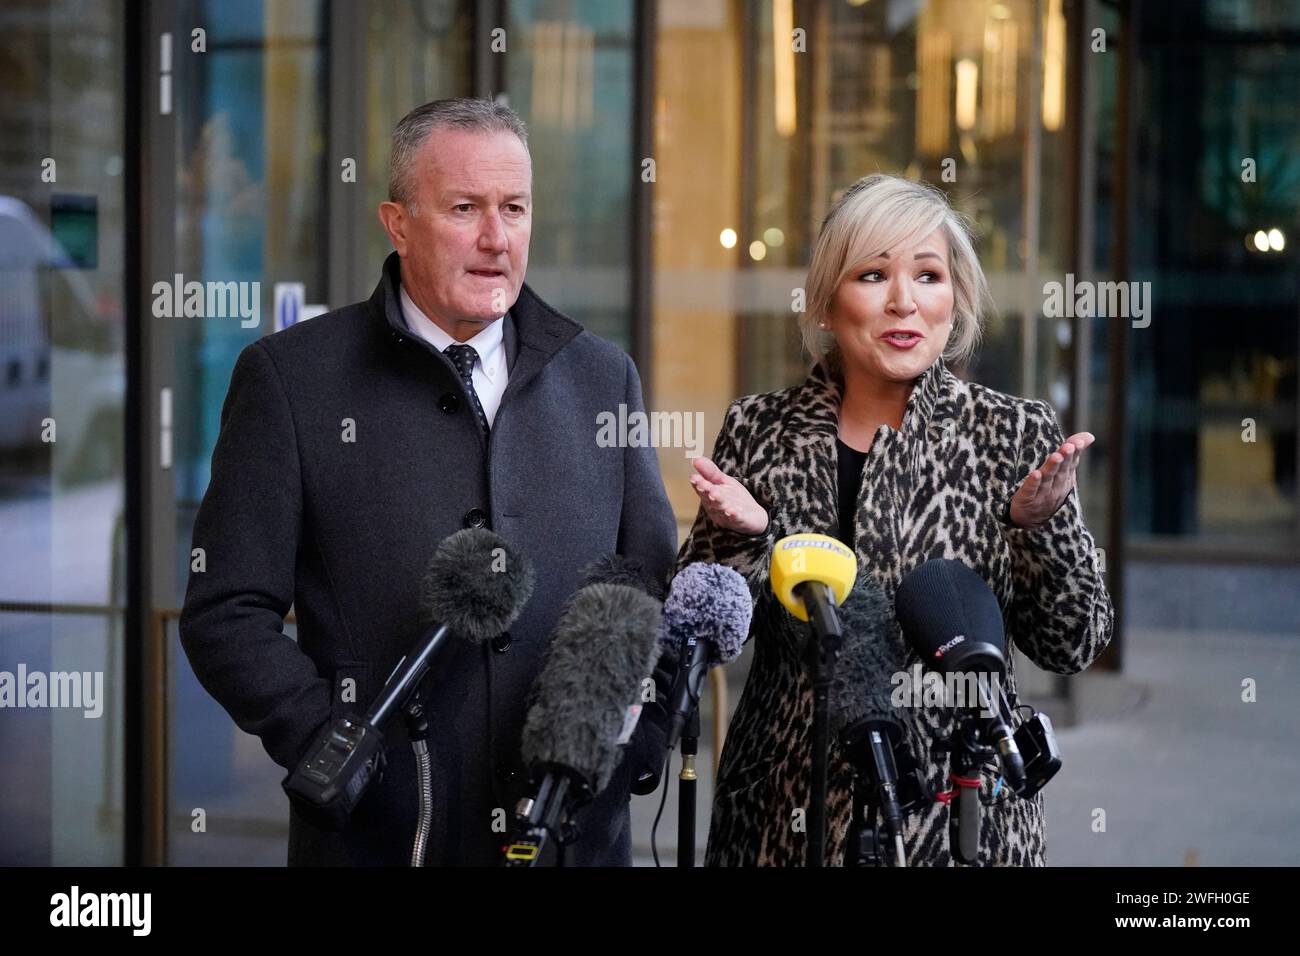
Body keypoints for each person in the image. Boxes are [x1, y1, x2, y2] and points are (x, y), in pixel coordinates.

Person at [180, 98, 677, 866]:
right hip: (382, 841)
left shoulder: (603, 375)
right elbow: (225, 611)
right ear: (398, 222)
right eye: (463, 208)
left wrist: (633, 749)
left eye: (514, 208)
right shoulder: (290, 379)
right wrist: (331, 742)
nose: (495, 237)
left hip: (572, 836)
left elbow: (649, 587)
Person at [677, 173, 1114, 866]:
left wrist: (1042, 526)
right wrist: (745, 535)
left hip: (961, 820)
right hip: (784, 820)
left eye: (929, 275)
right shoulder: (761, 430)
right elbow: (704, 635)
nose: (903, 301)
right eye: (874, 274)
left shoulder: (1011, 434)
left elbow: (1073, 645)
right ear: (826, 302)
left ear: (956, 299)